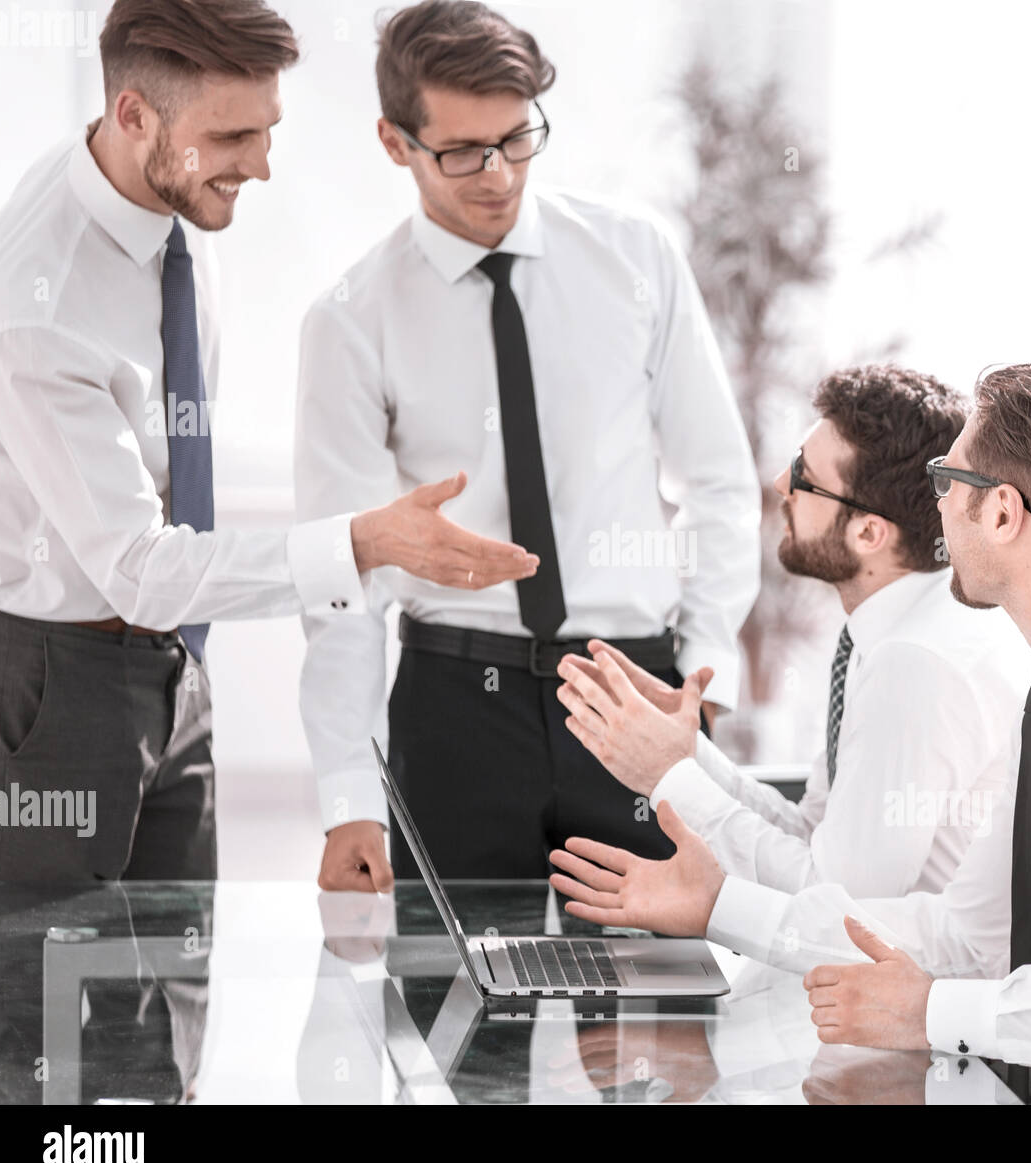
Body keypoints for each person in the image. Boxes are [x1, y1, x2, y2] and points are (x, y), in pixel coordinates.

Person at [550, 363, 1031, 1105]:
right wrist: (723, 907)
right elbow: (967, 934)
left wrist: (934, 1011)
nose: (934, 510)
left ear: (1003, 514)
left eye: (949, 481)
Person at [0, 0, 534, 885]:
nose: (264, 165)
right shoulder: (35, 305)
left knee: (179, 979)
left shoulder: (178, 198)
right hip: (57, 685)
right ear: (133, 115)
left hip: (175, 670)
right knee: (52, 1002)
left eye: (269, 129)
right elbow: (137, 567)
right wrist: (362, 541)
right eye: (236, 135)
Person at [296, 0, 760, 887]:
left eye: (517, 139)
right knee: (450, 1005)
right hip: (455, 707)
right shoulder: (351, 321)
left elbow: (719, 484)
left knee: (654, 1011)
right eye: (463, 150)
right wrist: (348, 792)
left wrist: (703, 681)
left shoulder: (637, 258)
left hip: (634, 692)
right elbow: (339, 578)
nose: (500, 174)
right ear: (395, 142)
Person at [555, 364, 1030, 904]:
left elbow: (840, 899)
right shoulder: (892, 631)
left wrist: (668, 775)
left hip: (891, 978)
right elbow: (816, 839)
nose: (782, 485)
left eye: (804, 477)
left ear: (869, 533)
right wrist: (687, 752)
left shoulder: (913, 665)